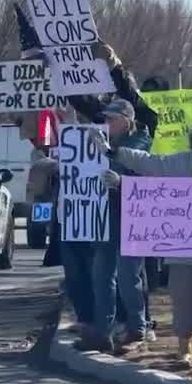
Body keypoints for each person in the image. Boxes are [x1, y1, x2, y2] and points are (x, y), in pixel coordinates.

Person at [93, 119, 192, 367]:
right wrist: (114, 154)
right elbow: (149, 165)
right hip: (182, 249)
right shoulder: (180, 162)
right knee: (183, 300)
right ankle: (184, 349)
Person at [74, 100, 151, 352]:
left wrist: (121, 182)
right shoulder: (103, 142)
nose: (106, 123)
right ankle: (103, 330)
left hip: (132, 217)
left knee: (129, 276)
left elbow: (145, 177)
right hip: (104, 216)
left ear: (126, 121)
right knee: (102, 275)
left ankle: (137, 328)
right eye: (105, 118)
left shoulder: (142, 144)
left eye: (112, 119)